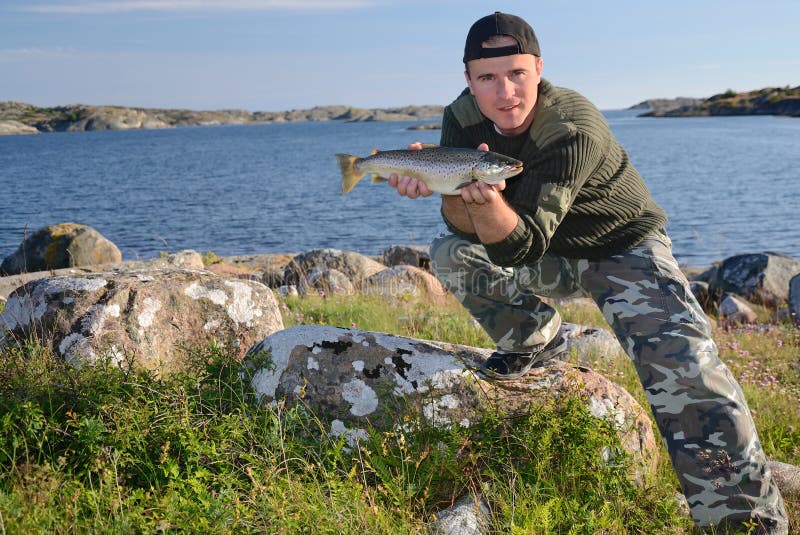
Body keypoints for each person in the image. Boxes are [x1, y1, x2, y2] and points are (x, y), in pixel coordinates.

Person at [388, 11, 789, 535]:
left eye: (517, 73)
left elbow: (521, 241)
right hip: (545, 252)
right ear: (468, 80)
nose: (504, 92)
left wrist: (481, 203)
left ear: (539, 69)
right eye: (487, 77)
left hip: (624, 250)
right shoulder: (462, 119)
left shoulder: (570, 125)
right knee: (449, 253)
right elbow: (471, 229)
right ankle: (536, 340)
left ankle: (746, 522)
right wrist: (437, 187)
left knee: (688, 378)